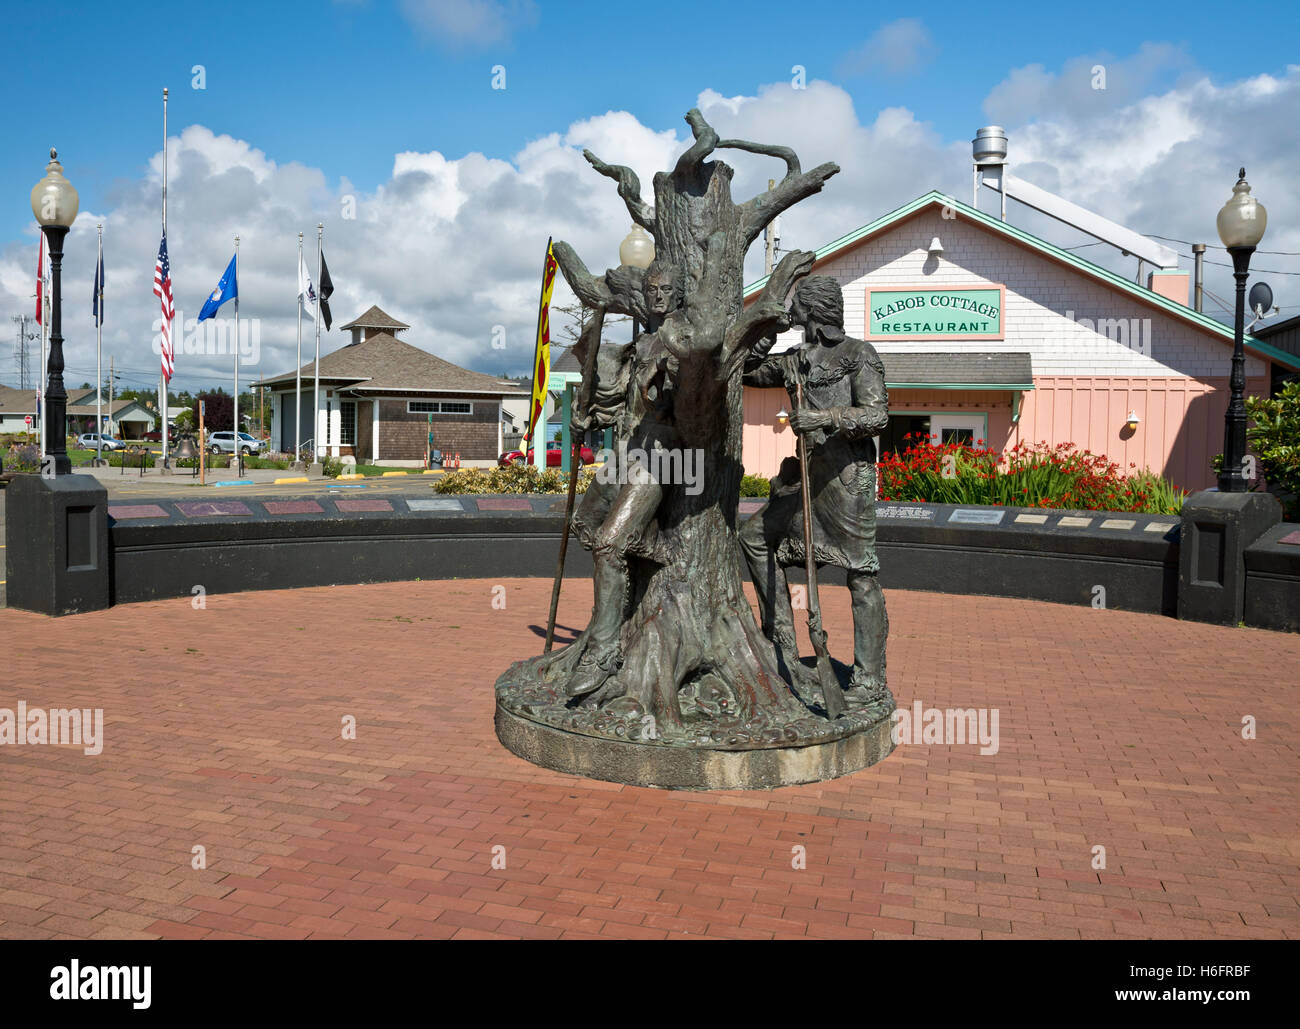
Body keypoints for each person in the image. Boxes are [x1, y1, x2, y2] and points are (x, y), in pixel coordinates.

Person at [739, 275, 890, 705]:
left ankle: (869, 678)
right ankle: (783, 642)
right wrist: (771, 325)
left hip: (845, 485)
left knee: (860, 576)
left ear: (814, 311)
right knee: (753, 539)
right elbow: (745, 369)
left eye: (796, 306)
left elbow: (877, 416)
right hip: (803, 484)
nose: (794, 312)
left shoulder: (859, 355)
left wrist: (825, 420)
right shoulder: (793, 360)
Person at [562, 260, 685, 699]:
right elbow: (620, 407)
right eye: (651, 289)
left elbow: (689, 403)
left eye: (666, 289)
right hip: (626, 452)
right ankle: (622, 604)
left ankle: (605, 651)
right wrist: (588, 416)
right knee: (584, 523)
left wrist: (667, 387)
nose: (657, 296)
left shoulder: (682, 341)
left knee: (610, 543)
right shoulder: (643, 342)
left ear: (678, 293)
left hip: (663, 456)